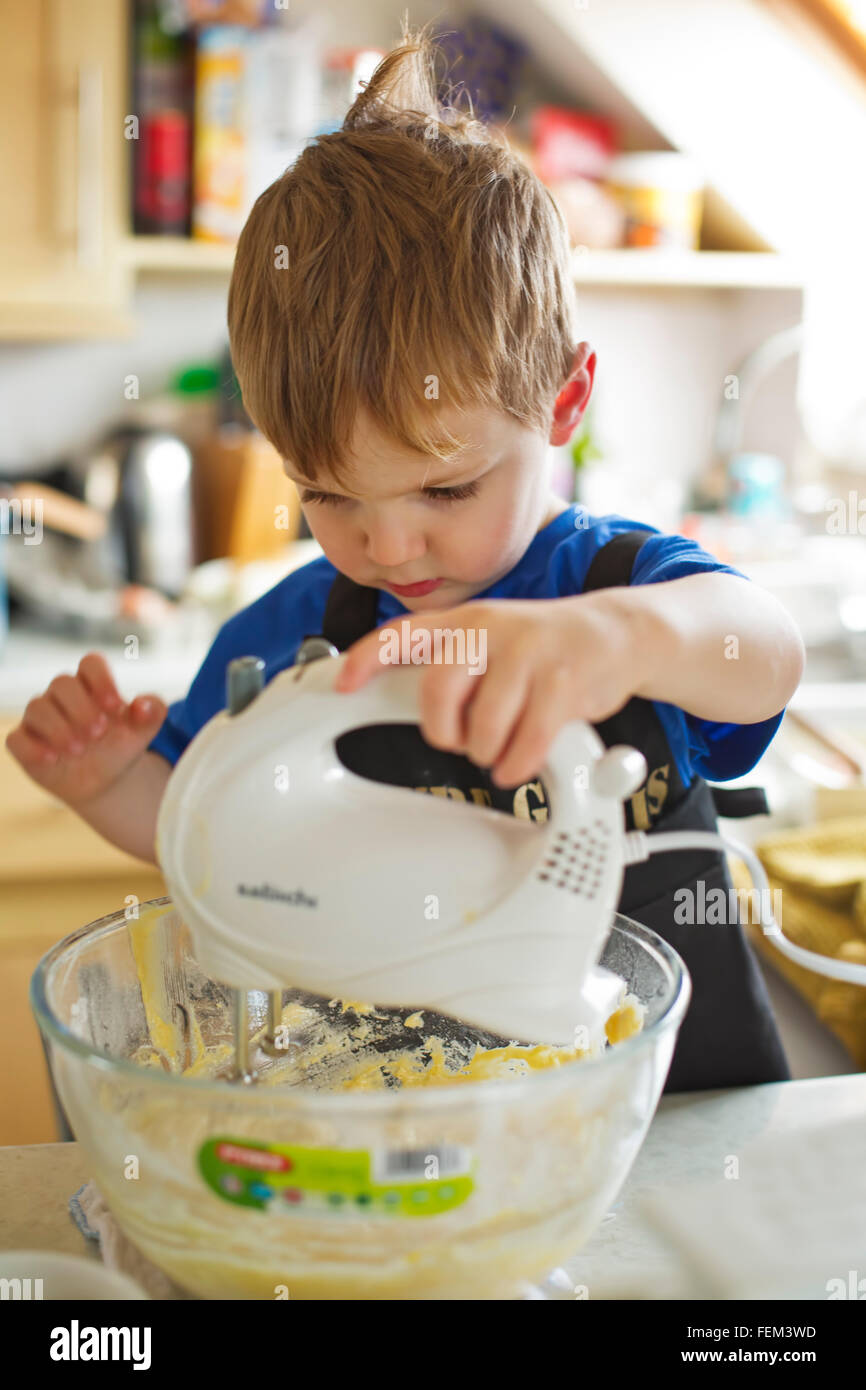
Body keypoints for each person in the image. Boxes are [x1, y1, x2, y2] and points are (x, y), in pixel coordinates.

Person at [6, 24, 805, 1093]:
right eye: (327, 494)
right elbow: (205, 834)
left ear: (563, 402)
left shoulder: (617, 591)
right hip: (404, 1144)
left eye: (444, 489)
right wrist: (110, 784)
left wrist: (614, 641)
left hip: (670, 1134)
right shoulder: (289, 641)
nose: (385, 545)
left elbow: (762, 656)